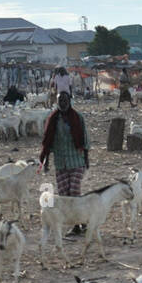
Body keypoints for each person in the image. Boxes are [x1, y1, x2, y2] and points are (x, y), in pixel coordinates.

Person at [40, 91, 90, 236]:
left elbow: (85, 139)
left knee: (74, 190)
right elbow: (48, 142)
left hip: (76, 159)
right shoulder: (52, 119)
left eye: (64, 100)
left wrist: (86, 159)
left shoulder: (77, 118)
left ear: (69, 100)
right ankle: (76, 225)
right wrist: (46, 161)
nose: (62, 102)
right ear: (57, 102)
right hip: (61, 162)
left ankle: (84, 221)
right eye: (59, 100)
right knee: (64, 195)